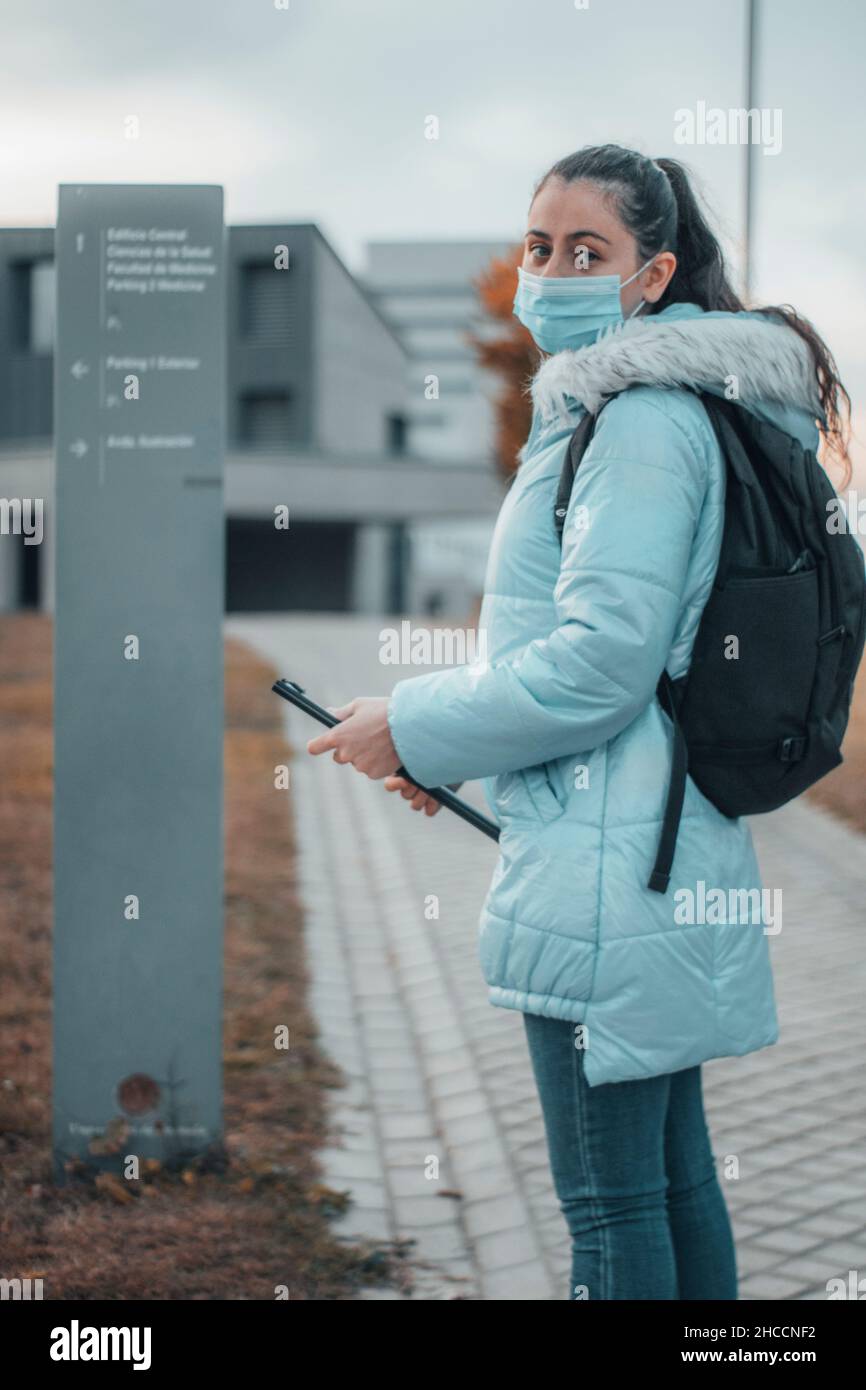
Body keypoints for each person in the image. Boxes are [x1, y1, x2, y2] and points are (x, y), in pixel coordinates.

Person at [306, 144, 852, 1300]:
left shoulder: (639, 419)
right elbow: (579, 652)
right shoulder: (622, 407)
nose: (547, 269)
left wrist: (408, 720)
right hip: (643, 842)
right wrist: (440, 742)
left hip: (611, 866)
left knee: (610, 1212)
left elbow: (600, 665)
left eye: (584, 251)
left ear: (650, 275)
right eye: (538, 245)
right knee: (665, 1181)